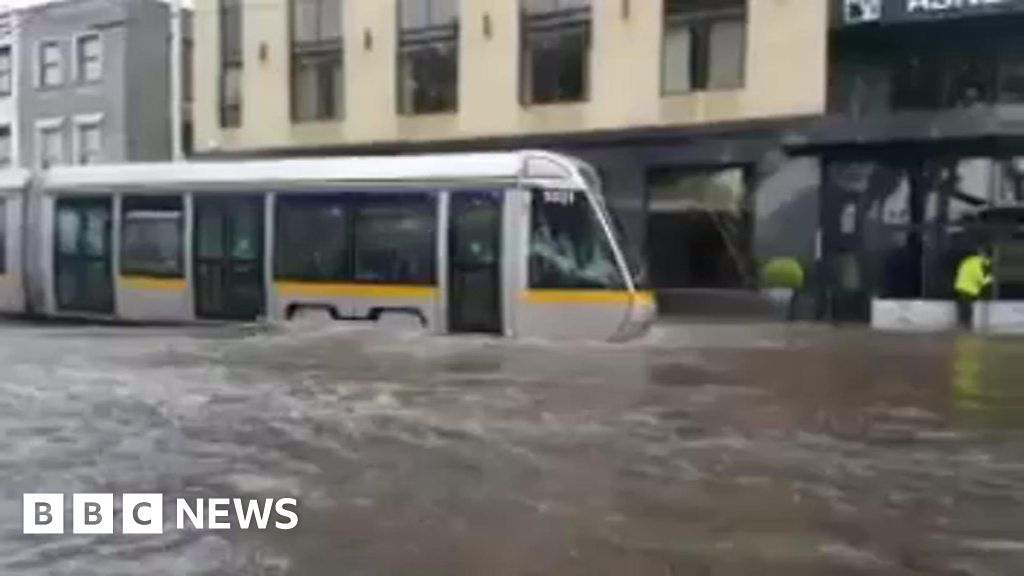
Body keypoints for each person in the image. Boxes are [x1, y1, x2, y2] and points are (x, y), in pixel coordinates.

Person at [954, 247, 993, 329]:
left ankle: (962, 325)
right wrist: (987, 279)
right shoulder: (976, 263)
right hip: (967, 288)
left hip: (961, 286)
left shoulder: (969, 260)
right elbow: (978, 276)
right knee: (967, 309)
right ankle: (966, 326)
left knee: (963, 308)